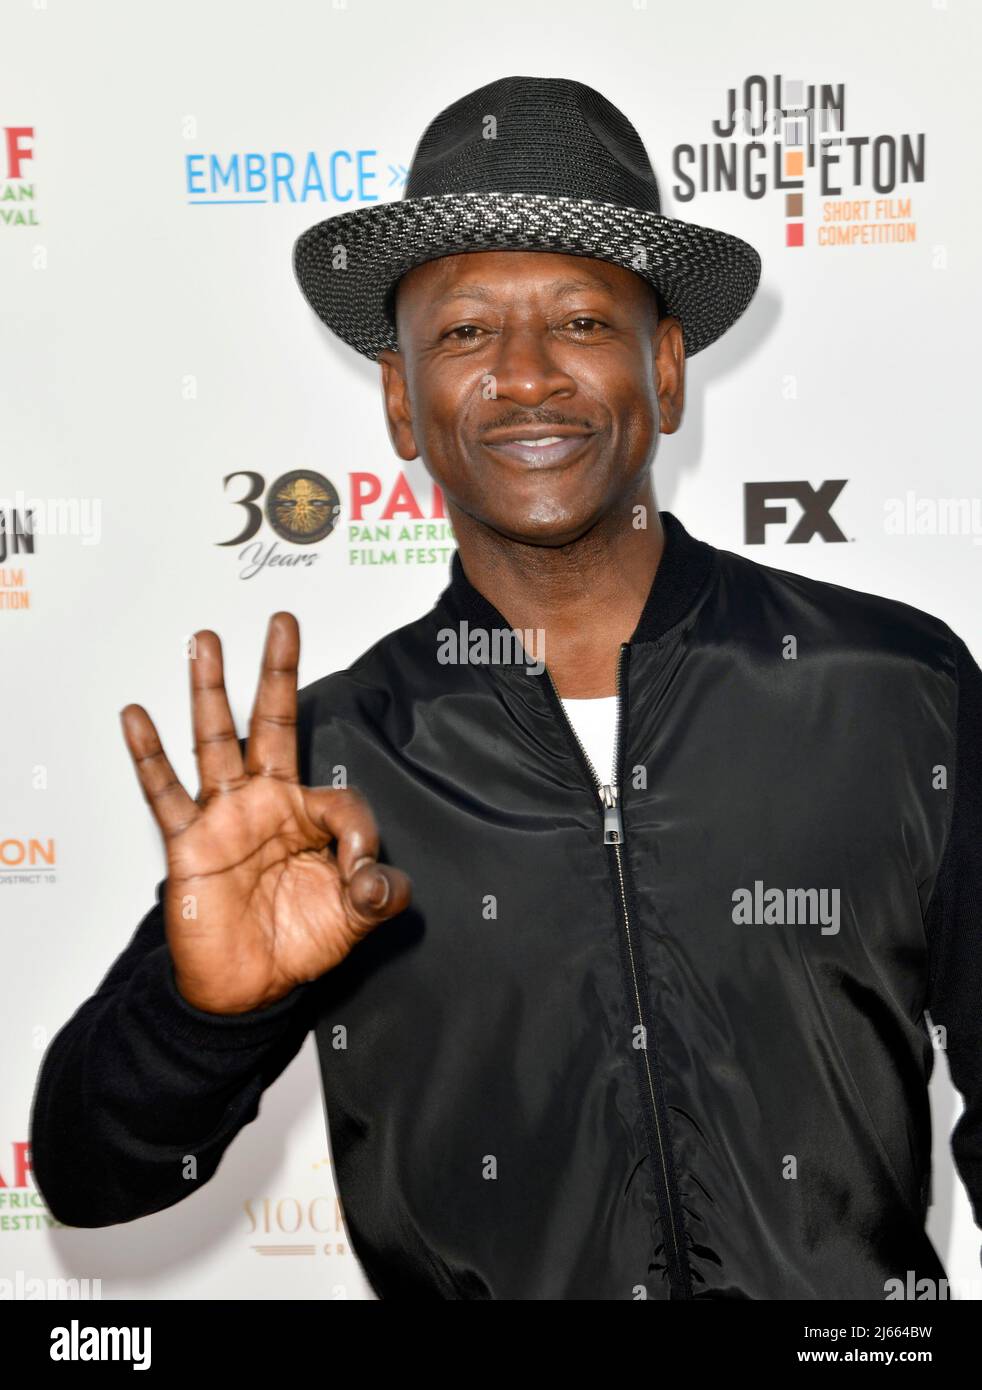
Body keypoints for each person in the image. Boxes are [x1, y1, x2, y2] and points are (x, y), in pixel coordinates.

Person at [29, 75, 982, 1301]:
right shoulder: (323, 770)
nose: (526, 377)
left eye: (582, 323)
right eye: (467, 332)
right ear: (400, 404)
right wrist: (195, 1012)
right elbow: (91, 1179)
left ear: (669, 371)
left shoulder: (892, 690)